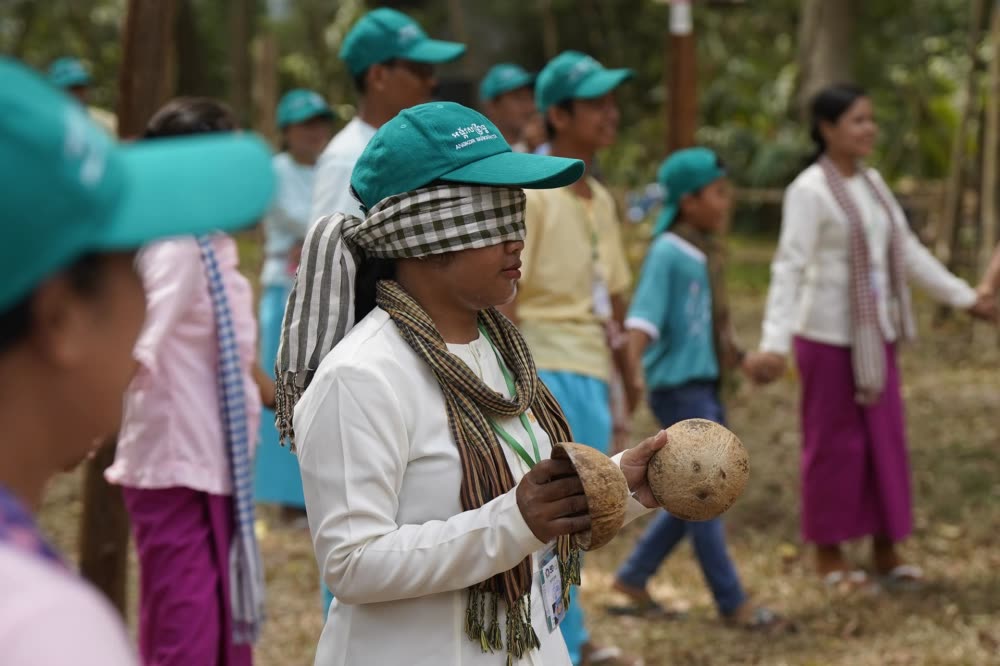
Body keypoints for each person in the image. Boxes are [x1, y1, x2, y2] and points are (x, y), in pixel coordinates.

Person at [276, 101, 665, 666]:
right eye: (492, 219)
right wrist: (515, 520)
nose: (517, 240)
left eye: (517, 215)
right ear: (425, 232)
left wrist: (615, 487)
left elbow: (522, 521)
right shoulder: (360, 377)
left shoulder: (502, 352)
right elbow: (350, 563)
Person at [0, 57, 274, 666]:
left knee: (216, 617)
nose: (140, 279)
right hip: (178, 456)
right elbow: (151, 345)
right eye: (124, 265)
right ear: (61, 317)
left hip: (213, 454)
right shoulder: (45, 629)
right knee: (188, 619)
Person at [747, 84, 995, 589]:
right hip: (824, 338)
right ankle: (829, 554)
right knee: (833, 447)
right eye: (858, 120)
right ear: (827, 128)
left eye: (871, 120)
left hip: (873, 339)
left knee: (884, 442)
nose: (870, 129)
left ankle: (886, 548)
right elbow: (789, 269)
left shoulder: (874, 184)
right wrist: (775, 342)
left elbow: (907, 253)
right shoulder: (809, 190)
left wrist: (966, 299)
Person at [105, 97, 273, 666]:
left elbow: (225, 351)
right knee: (187, 633)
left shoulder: (208, 242)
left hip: (212, 465)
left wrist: (285, 397)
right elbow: (134, 348)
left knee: (221, 631)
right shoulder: (176, 248)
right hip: (175, 468)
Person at [500, 50, 642, 666]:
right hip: (544, 367)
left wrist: (628, 375)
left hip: (592, 365)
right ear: (557, 114)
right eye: (595, 104)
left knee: (591, 506)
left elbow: (613, 294)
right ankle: (561, 638)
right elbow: (507, 294)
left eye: (614, 103)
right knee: (558, 504)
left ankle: (568, 635)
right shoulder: (530, 192)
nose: (610, 114)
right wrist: (512, 378)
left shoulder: (601, 200)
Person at [609, 148, 785, 631]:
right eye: (718, 193)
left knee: (696, 491)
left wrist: (745, 361)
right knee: (710, 490)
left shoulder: (705, 251)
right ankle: (733, 603)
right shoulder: (669, 251)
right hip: (678, 389)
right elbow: (641, 322)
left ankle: (633, 576)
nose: (727, 202)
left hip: (703, 383)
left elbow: (706, 327)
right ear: (689, 200)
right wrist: (632, 377)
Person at [254, 89, 335, 516]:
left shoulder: (332, 166)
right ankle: (283, 494)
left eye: (320, 122)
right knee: (280, 388)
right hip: (282, 291)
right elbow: (304, 219)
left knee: (318, 386)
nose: (315, 132)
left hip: (322, 295)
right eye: (305, 124)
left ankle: (315, 486)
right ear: (287, 130)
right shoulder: (275, 171)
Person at [310, 7, 466, 221]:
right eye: (421, 70)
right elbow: (331, 251)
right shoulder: (348, 161)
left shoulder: (413, 145)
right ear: (378, 76)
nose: (432, 82)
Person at [46, 56, 117, 134]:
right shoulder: (46, 124)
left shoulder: (106, 124)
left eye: (81, 88)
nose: (79, 94)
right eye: (72, 89)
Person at [479, 63, 537, 150]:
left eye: (530, 97)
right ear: (492, 106)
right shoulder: (482, 153)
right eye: (519, 98)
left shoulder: (547, 148)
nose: (529, 107)